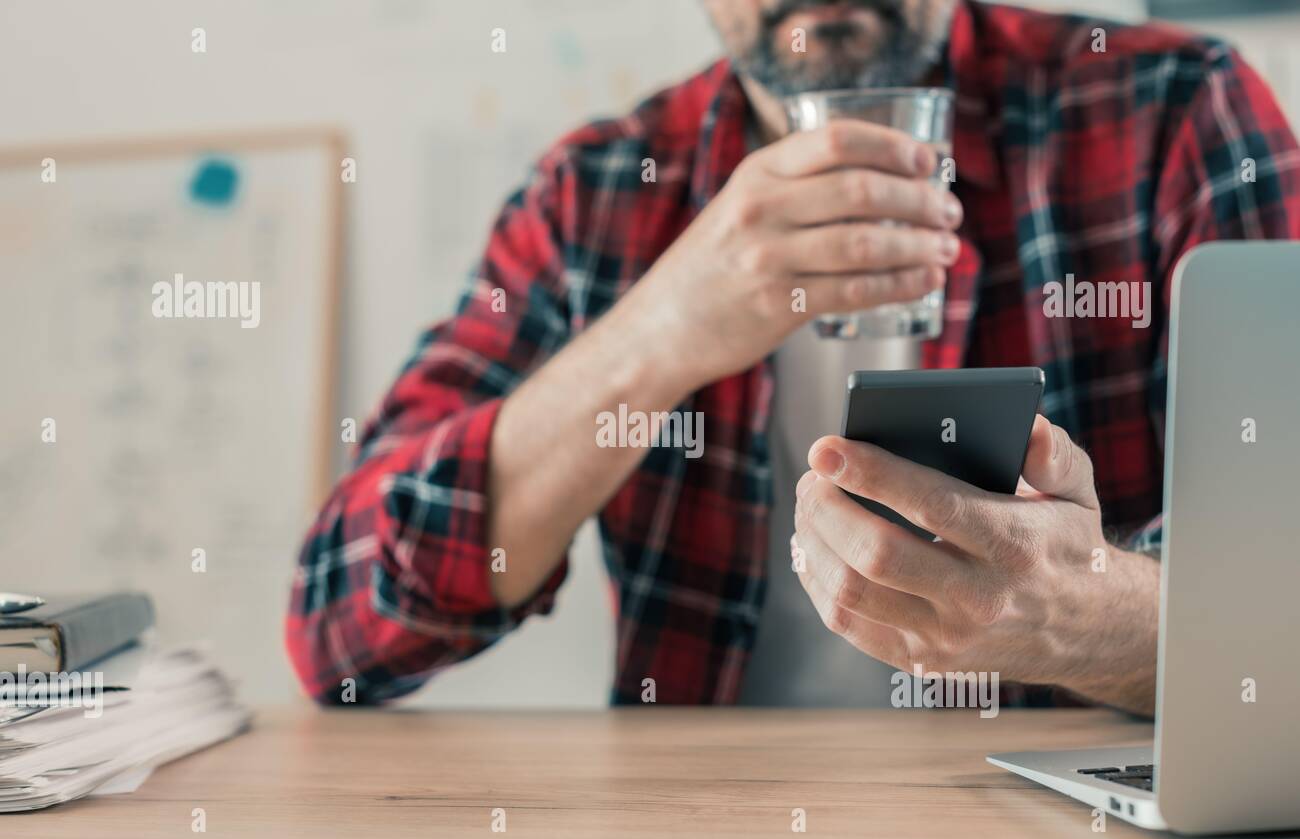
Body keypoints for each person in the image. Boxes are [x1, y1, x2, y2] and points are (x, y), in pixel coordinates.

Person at [286, 0, 1300, 714]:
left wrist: (1087, 617)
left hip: (1058, 832)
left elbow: (1285, 615)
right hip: (709, 828)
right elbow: (337, 628)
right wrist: (659, 330)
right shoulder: (594, 190)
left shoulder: (1172, 111)